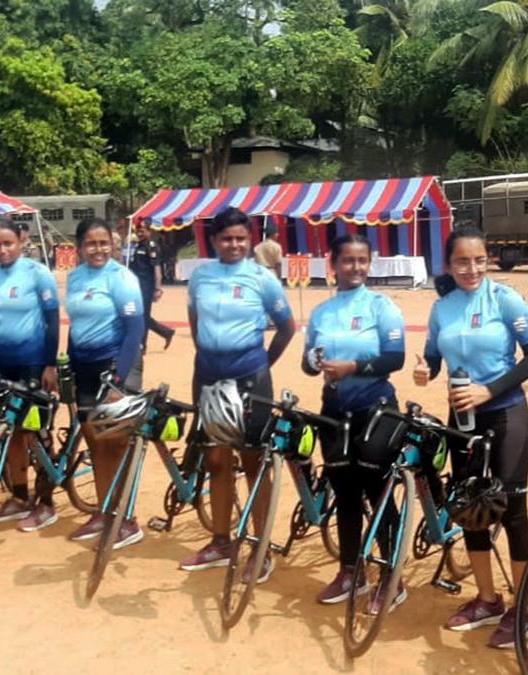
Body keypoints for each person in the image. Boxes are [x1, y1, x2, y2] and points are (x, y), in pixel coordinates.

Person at [414, 226, 528, 648]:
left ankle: (523, 608)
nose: (471, 269)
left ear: (488, 259)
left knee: (511, 510)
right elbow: (434, 357)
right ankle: (487, 599)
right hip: (462, 421)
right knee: (469, 506)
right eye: (461, 262)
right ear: (449, 265)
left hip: (506, 415)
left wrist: (490, 389)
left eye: (478, 260)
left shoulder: (505, 299)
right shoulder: (443, 308)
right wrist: (425, 371)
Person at [179, 207, 295, 576]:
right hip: (209, 378)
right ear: (214, 241)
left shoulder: (262, 279)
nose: (233, 244)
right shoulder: (200, 278)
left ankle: (261, 549)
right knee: (216, 460)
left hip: (251, 379)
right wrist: (212, 357)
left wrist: (261, 364)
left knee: (253, 462)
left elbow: (286, 328)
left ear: (250, 241)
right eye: (226, 238)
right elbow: (195, 324)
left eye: (240, 239)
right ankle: (221, 540)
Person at [302, 233, 406, 606]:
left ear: (370, 262)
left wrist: (353, 366)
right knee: (344, 491)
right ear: (334, 264)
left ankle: (393, 575)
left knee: (377, 489)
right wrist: (315, 363)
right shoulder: (321, 313)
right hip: (334, 411)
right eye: (348, 260)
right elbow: (307, 364)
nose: (356, 267)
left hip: (376, 408)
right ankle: (351, 571)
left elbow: (395, 359)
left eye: (363, 260)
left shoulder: (382, 306)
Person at [64, 218, 146, 545]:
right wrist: (67, 362)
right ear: (80, 246)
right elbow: (76, 325)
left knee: (116, 442)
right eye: (91, 244)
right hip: (84, 364)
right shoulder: (74, 277)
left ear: (112, 245)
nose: (98, 250)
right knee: (95, 442)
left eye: (104, 243)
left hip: (116, 362)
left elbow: (135, 332)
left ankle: (127, 519)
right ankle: (103, 511)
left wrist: (118, 381)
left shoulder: (122, 278)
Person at [0, 215, 61, 528]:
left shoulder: (38, 274)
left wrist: (50, 364)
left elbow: (53, 322)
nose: (2, 251)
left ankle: (46, 503)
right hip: (4, 364)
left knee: (38, 433)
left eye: (8, 243)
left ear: (22, 240)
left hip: (33, 363)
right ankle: (18, 496)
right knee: (12, 432)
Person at [125, 220, 175, 350]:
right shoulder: (137, 246)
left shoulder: (151, 246)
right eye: (138, 231)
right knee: (139, 315)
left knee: (143, 316)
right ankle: (166, 332)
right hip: (135, 287)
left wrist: (157, 289)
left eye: (142, 231)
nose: (140, 233)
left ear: (149, 231)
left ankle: (142, 345)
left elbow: (157, 269)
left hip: (146, 287)